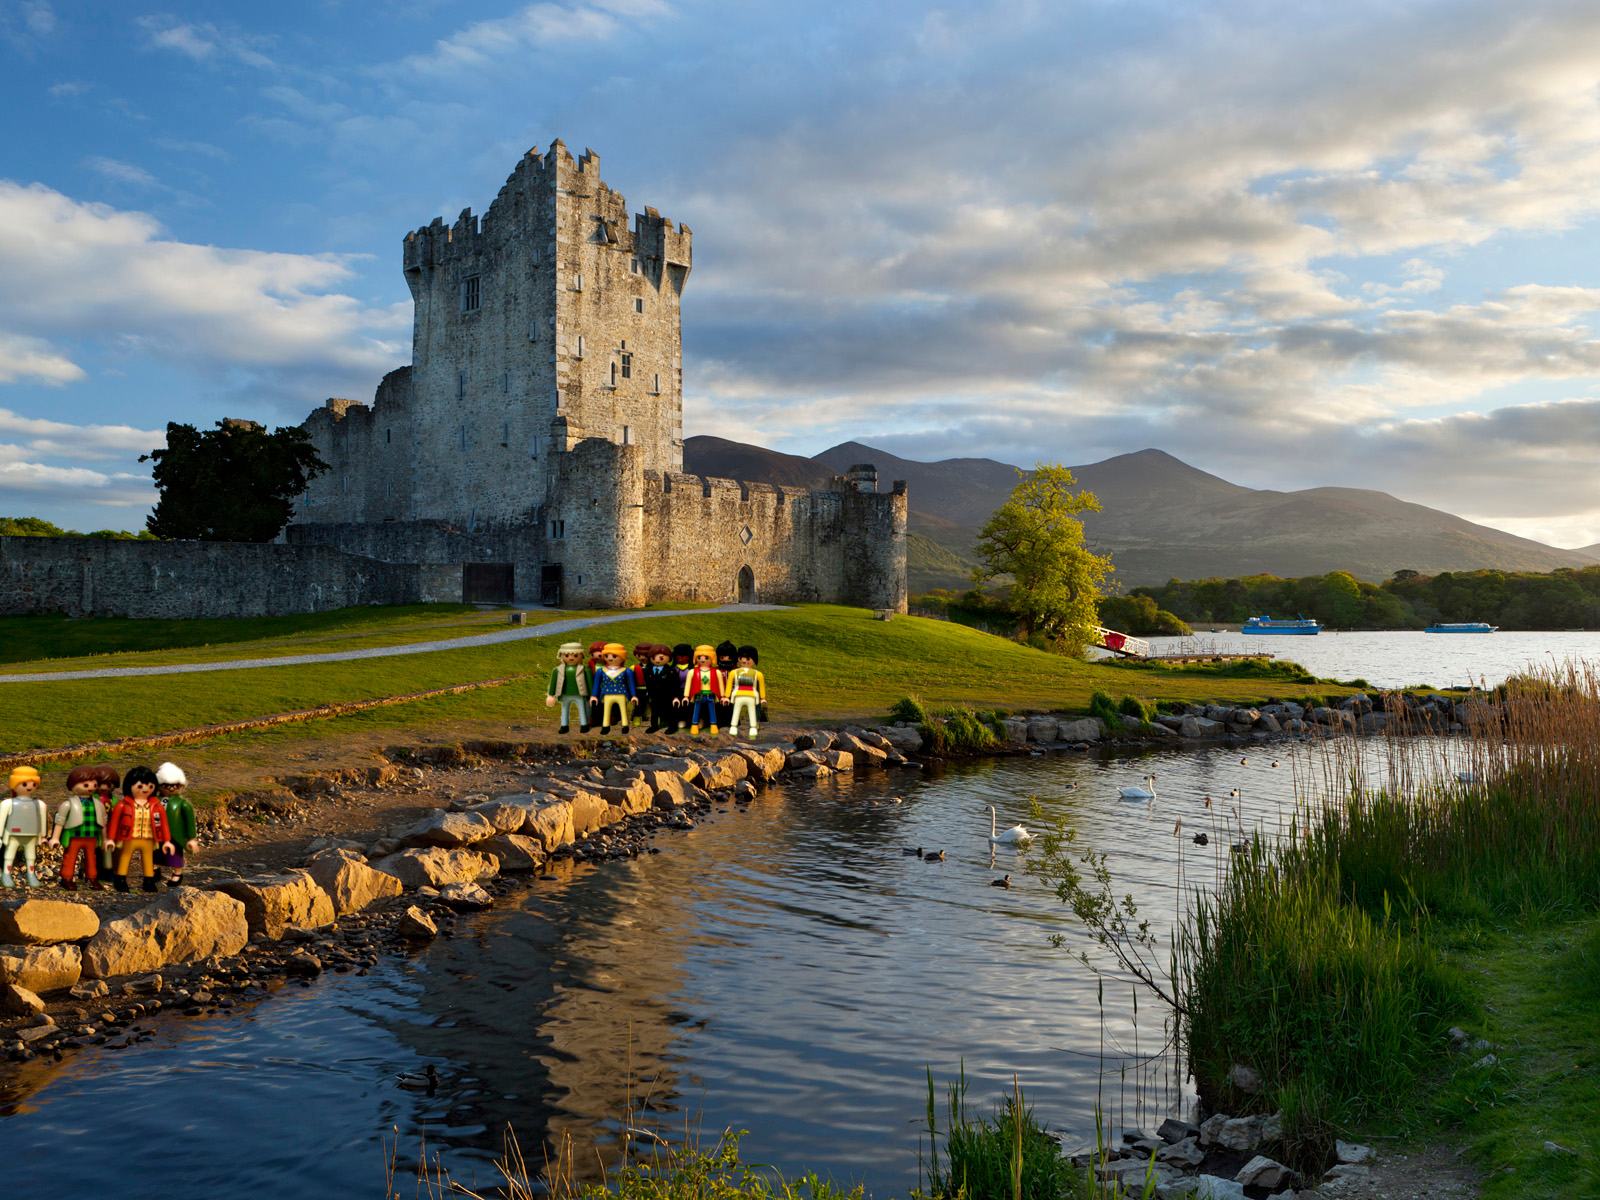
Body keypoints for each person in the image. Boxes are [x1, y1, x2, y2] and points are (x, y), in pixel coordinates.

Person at [104, 766, 174, 894]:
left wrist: (167, 840)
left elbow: (163, 824)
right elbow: (114, 822)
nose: (145, 790)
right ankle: (121, 881)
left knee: (148, 859)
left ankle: (148, 881)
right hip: (128, 837)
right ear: (129, 787)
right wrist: (111, 838)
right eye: (140, 786)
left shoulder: (156, 806)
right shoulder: (122, 805)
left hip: (148, 838)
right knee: (125, 857)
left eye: (150, 786)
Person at [54, 765, 111, 891]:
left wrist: (105, 838)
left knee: (91, 858)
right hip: (74, 835)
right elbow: (60, 820)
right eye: (86, 785)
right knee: (70, 857)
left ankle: (92, 878)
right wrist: (55, 837)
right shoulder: (69, 803)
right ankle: (67, 878)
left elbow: (102, 821)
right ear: (73, 786)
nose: (90, 787)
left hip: (91, 836)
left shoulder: (98, 804)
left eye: (94, 784)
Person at [1, 766, 50, 888]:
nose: (29, 787)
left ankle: (31, 873)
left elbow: (42, 819)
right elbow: (1, 820)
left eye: (33, 784)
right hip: (13, 834)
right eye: (24, 783)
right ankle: (6, 874)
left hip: (30, 834)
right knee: (9, 854)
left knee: (30, 855)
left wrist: (43, 835)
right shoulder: (8, 803)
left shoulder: (39, 804)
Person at [153, 762, 199, 887]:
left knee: (175, 854)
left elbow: (189, 820)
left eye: (175, 785)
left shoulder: (182, 803)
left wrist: (191, 838)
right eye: (166, 785)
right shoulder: (155, 801)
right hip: (157, 833)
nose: (171, 788)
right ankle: (154, 871)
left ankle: (177, 874)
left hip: (175, 834)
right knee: (154, 852)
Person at [591, 642, 639, 734]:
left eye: (614, 656)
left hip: (622, 694)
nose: (610, 658)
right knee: (606, 711)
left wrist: (633, 695)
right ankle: (605, 726)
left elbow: (631, 684)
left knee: (623, 711)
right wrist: (594, 695)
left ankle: (625, 726)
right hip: (606, 694)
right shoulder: (601, 671)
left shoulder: (626, 671)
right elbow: (596, 684)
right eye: (607, 656)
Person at [545, 642, 592, 734]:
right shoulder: (558, 670)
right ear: (561, 656)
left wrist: (593, 695)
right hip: (565, 693)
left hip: (580, 694)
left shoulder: (584, 670)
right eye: (567, 655)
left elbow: (590, 683)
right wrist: (551, 695)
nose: (571, 658)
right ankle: (564, 726)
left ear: (581, 655)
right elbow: (553, 682)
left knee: (582, 709)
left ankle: (584, 725)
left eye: (575, 655)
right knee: (565, 709)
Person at [680, 644, 723, 738]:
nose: (703, 660)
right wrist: (686, 696)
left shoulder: (716, 672)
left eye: (706, 657)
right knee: (696, 711)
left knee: (712, 711)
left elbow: (720, 685)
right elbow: (688, 685)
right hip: (698, 695)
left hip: (711, 695)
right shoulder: (692, 672)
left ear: (712, 658)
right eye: (699, 657)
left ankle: (713, 725)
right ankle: (694, 725)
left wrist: (723, 696)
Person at [725, 645, 767, 739]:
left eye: (747, 658)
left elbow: (762, 686)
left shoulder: (758, 674)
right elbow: (729, 685)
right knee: (736, 711)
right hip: (738, 696)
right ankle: (734, 727)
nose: (743, 661)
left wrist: (763, 698)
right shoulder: (734, 672)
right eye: (741, 658)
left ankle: (752, 728)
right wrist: (726, 696)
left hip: (751, 696)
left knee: (751, 712)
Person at [642, 644, 682, 734]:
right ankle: (654, 725)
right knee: (655, 710)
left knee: (670, 710)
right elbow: (648, 682)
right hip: (654, 695)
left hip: (668, 695)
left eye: (661, 658)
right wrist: (648, 691)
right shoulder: (648, 670)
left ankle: (672, 726)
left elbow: (675, 684)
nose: (657, 660)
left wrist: (676, 696)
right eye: (653, 657)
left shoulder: (670, 671)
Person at [714, 640, 739, 730]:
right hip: (719, 695)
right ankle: (718, 723)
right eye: (722, 657)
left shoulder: (737, 670)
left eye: (729, 657)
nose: (726, 660)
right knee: (719, 709)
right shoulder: (716, 670)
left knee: (732, 710)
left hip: (733, 694)